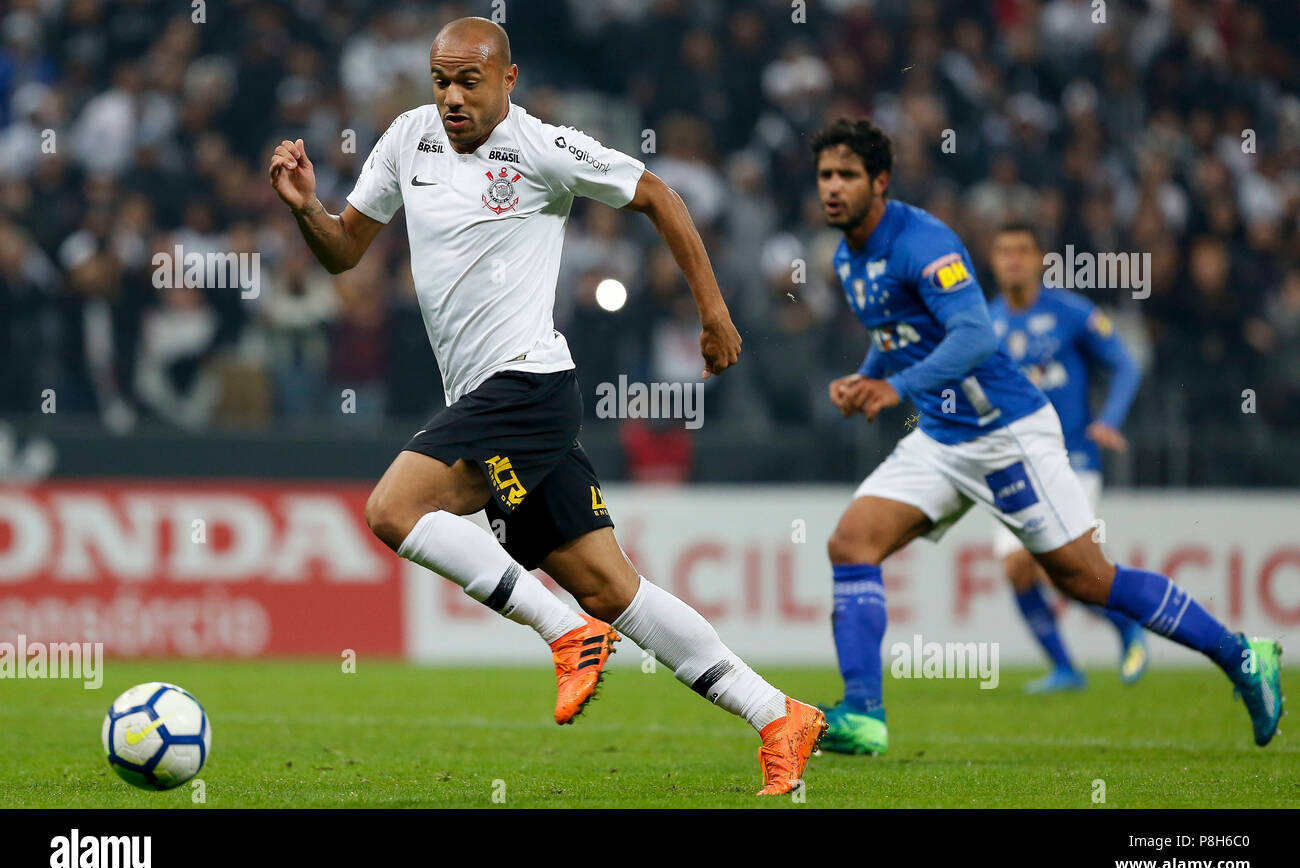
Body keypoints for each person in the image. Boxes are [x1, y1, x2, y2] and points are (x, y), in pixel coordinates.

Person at [268, 17, 824, 795]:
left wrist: (714, 312)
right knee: (611, 586)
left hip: (524, 386)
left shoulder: (542, 148)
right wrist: (304, 209)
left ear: (508, 79)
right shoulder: (406, 138)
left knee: (393, 508)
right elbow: (345, 249)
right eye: (441, 81)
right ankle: (779, 715)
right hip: (492, 401)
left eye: (469, 80)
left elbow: (657, 194)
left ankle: (565, 633)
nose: (453, 96)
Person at [811, 117, 1281, 756]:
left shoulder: (924, 241)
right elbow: (892, 332)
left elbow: (975, 337)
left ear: (881, 181)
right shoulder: (847, 257)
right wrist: (865, 376)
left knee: (1087, 579)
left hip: (1007, 433)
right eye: (825, 176)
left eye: (847, 175)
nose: (832, 188)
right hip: (943, 441)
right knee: (850, 542)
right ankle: (865, 714)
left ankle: (1241, 655)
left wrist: (896, 389)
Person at [987, 222, 1147, 693]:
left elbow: (1125, 363)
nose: (1012, 259)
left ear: (1039, 260)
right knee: (1018, 568)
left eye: (1021, 250)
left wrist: (1110, 419)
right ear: (993, 261)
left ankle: (1128, 627)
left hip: (1070, 459)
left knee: (1060, 567)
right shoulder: (986, 323)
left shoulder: (1073, 313)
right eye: (1003, 251)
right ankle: (1066, 668)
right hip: (1009, 462)